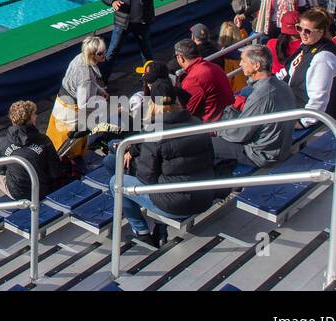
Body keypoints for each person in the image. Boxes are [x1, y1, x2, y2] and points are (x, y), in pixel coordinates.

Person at [102, 79, 217, 248]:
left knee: (116, 182)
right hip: (204, 196)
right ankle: (159, 228)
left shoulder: (155, 131)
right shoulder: (197, 123)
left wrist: (133, 162)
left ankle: (141, 233)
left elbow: (146, 177)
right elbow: (210, 158)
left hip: (177, 205)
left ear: (153, 104)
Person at [212, 45, 295, 169]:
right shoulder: (283, 85)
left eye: (243, 60)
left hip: (263, 155)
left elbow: (238, 134)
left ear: (256, 66)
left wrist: (217, 130)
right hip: (280, 148)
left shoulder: (260, 95)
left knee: (208, 143)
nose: (240, 64)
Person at [100, 0, 168, 79]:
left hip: (142, 23)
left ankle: (151, 78)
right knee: (112, 52)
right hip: (122, 23)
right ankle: (103, 80)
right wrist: (112, 2)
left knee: (147, 53)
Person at [0, 100, 67, 203]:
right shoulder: (44, 140)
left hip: (18, 192)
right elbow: (56, 173)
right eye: (34, 114)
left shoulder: (2, 142)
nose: (36, 116)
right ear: (30, 119)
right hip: (41, 191)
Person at [283, 8, 336, 122]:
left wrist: (303, 122)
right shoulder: (307, 46)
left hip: (317, 114)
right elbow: (289, 70)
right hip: (297, 103)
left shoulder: (323, 58)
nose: (302, 34)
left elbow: (318, 98)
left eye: (308, 31)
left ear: (320, 32)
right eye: (299, 28)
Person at [47, 35, 109, 158]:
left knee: (53, 136)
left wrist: (100, 91)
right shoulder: (85, 76)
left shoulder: (80, 57)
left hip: (61, 100)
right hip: (70, 111)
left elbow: (88, 83)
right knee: (67, 145)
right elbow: (83, 105)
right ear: (91, 55)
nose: (104, 54)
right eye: (100, 53)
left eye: (105, 51)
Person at [172, 38, 235, 123]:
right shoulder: (214, 66)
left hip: (215, 125)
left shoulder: (193, 79)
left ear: (181, 58)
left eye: (176, 57)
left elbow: (187, 112)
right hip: (230, 114)